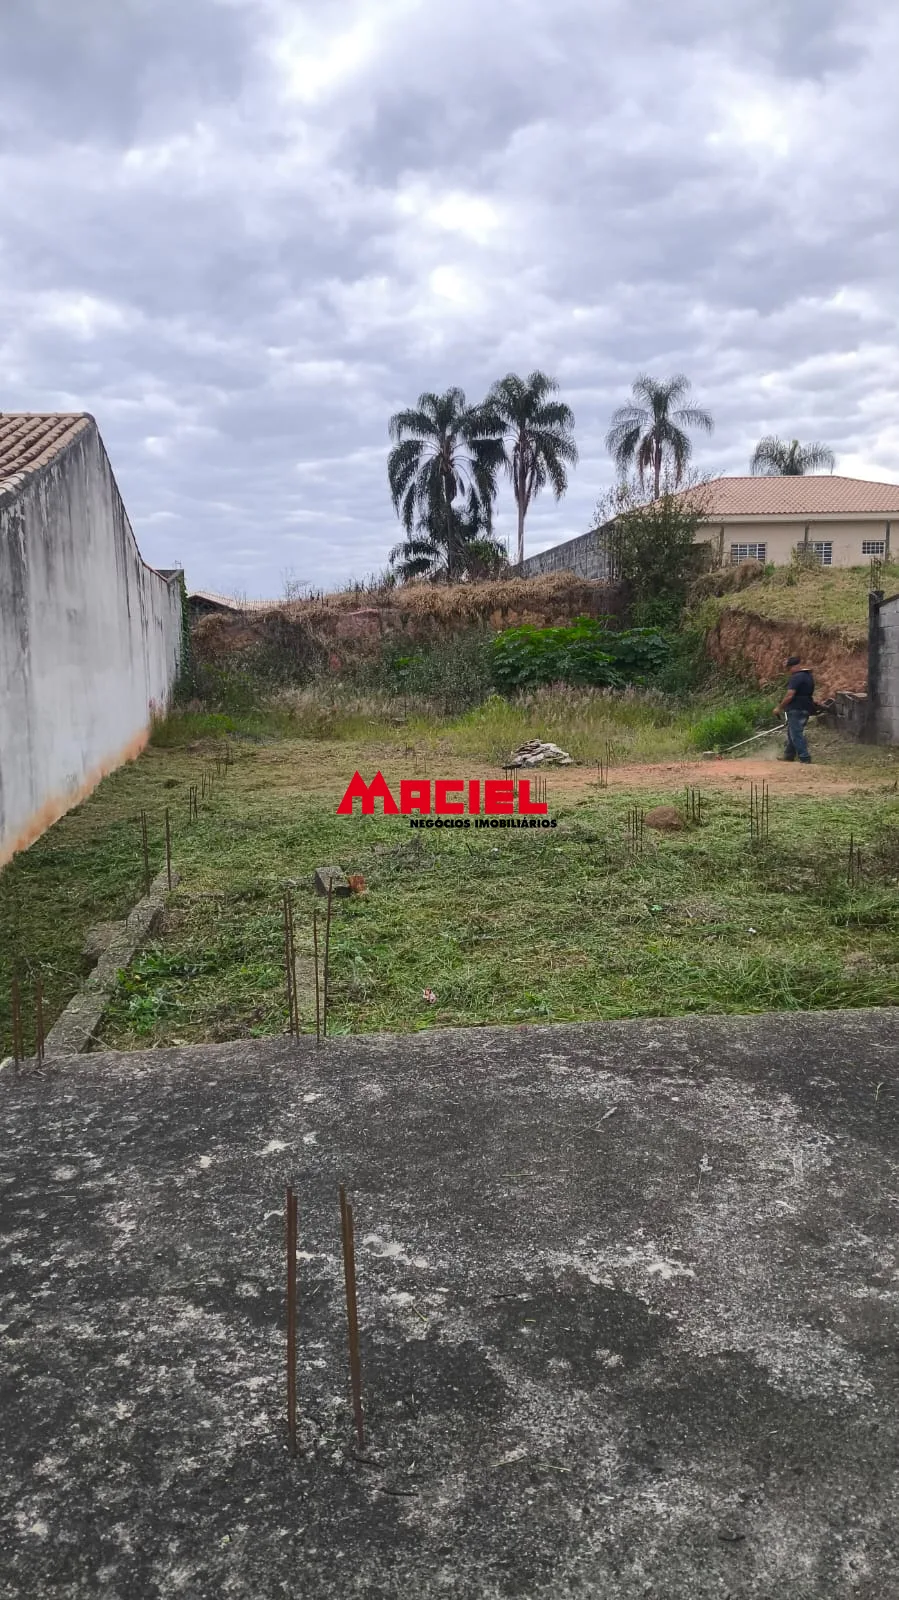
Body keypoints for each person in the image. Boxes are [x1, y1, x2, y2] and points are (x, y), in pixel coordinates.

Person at [774, 655, 817, 764]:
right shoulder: (808, 676)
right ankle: (789, 755)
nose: (789, 671)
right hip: (806, 707)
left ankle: (805, 757)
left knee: (796, 734)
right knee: (792, 732)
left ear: (794, 666)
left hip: (796, 708)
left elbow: (790, 695)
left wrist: (779, 707)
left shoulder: (796, 677)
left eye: (789, 668)